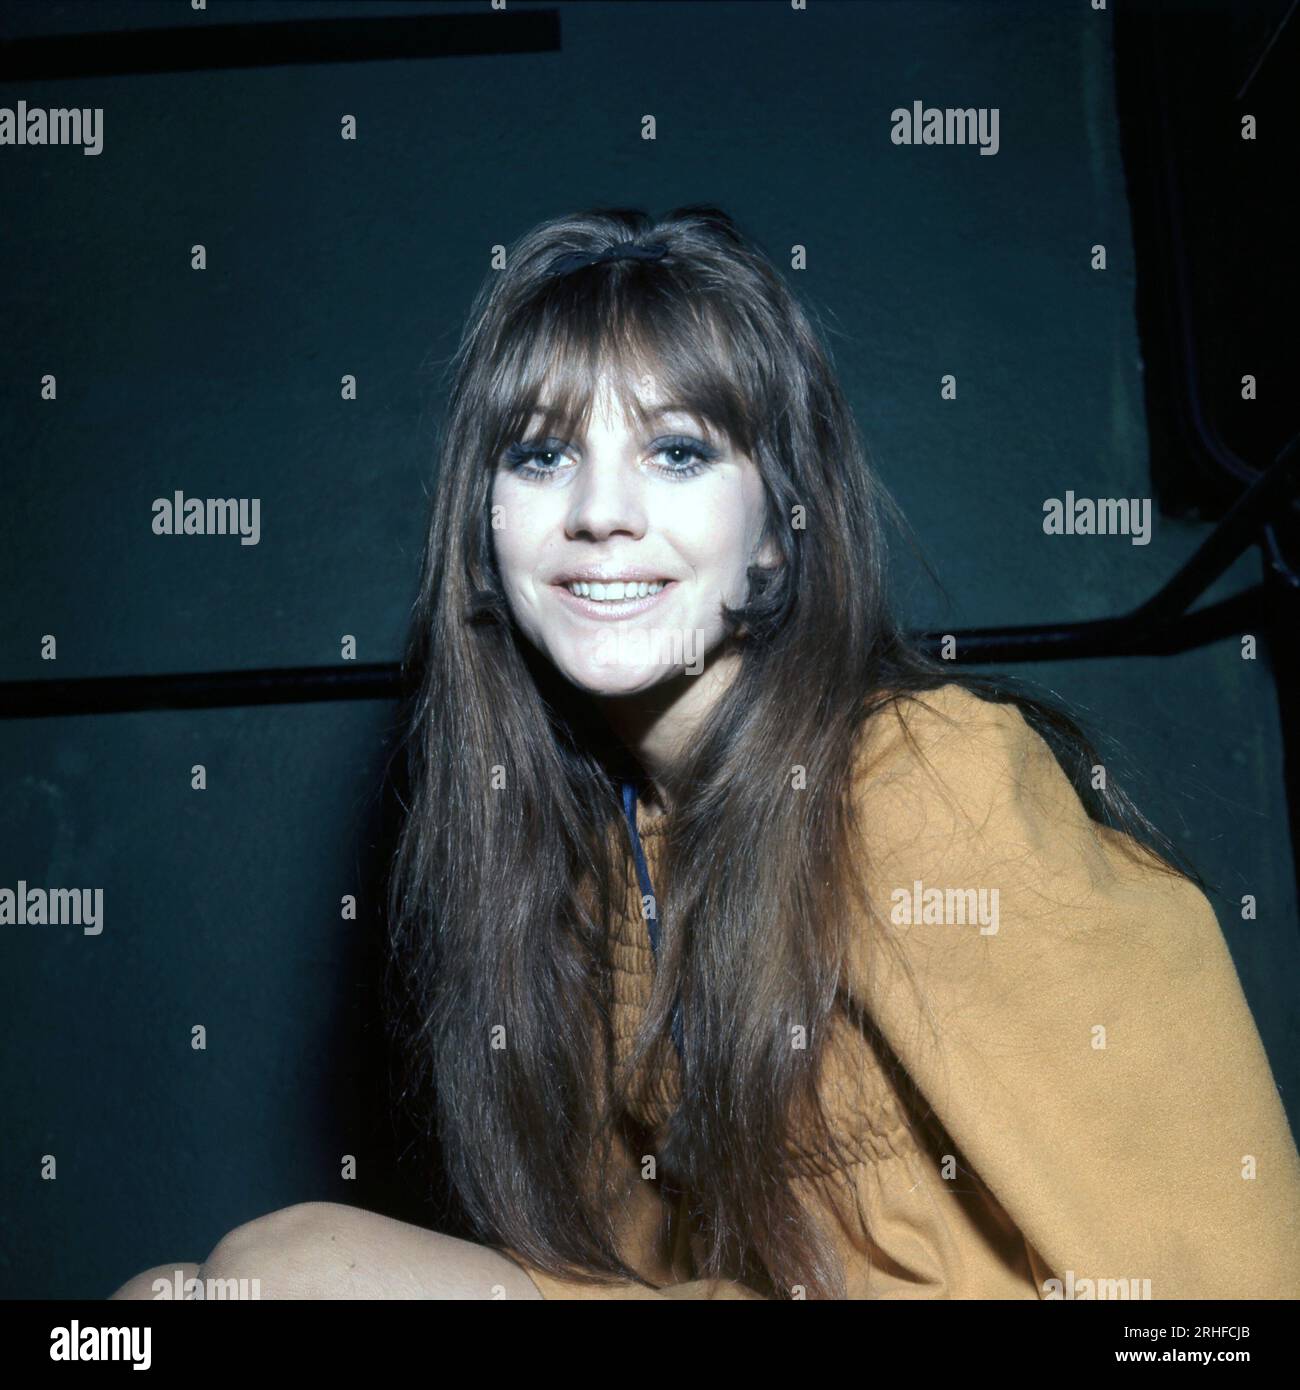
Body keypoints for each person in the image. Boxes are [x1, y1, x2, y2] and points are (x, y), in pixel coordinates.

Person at [112, 206, 1300, 1301]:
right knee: (225, 1282)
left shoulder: (925, 784)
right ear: (484, 531)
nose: (600, 512)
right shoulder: (587, 857)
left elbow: (1230, 1296)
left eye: (676, 451)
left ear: (776, 535)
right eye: (541, 455)